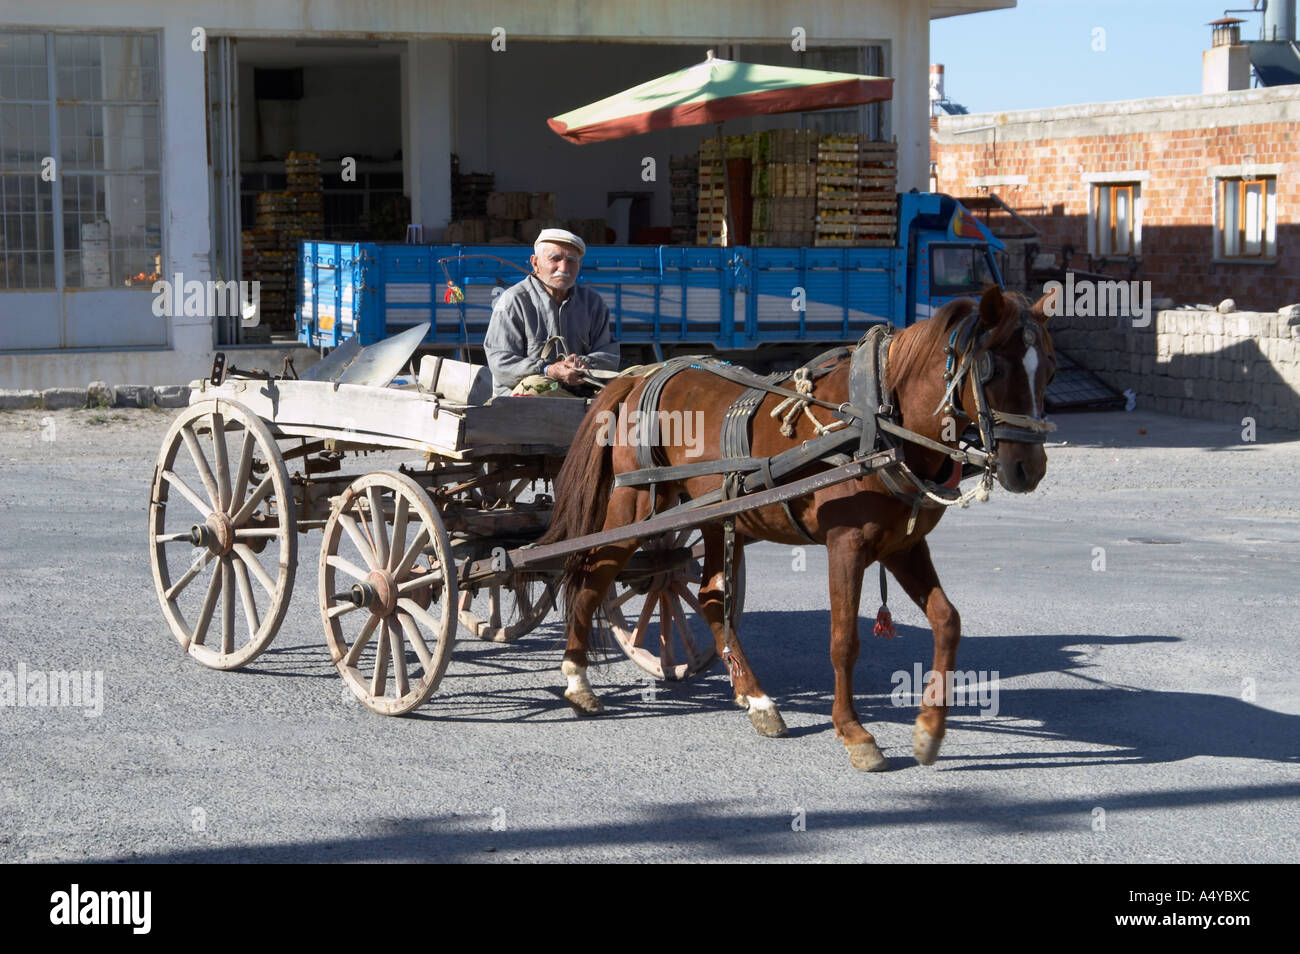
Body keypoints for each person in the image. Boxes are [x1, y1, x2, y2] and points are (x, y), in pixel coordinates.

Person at [483, 229, 620, 396]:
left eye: (571, 261)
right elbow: (500, 361)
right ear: (535, 263)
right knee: (535, 384)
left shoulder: (593, 303)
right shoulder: (513, 300)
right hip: (523, 403)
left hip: (580, 397)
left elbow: (609, 353)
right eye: (555, 259)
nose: (563, 268)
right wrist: (548, 370)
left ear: (580, 265)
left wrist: (585, 364)